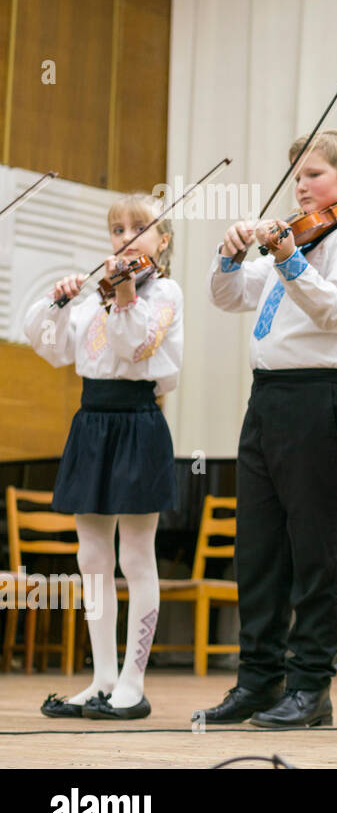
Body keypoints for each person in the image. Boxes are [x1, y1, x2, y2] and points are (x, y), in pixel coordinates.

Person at [196, 129, 337, 729]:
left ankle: (310, 688)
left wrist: (286, 256)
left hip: (325, 397)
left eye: (315, 174)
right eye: (297, 176)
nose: (301, 186)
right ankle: (258, 680)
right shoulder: (299, 239)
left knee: (317, 551)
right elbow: (229, 297)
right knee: (259, 549)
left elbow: (333, 306)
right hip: (269, 398)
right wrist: (229, 254)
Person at [27, 194, 182, 721]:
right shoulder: (95, 298)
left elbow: (134, 347)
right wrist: (58, 301)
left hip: (137, 422)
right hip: (90, 423)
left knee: (135, 557)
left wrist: (123, 295)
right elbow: (50, 347)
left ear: (163, 241)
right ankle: (103, 677)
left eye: (139, 228)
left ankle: (133, 684)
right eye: (117, 229)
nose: (125, 237)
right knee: (91, 559)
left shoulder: (164, 294)